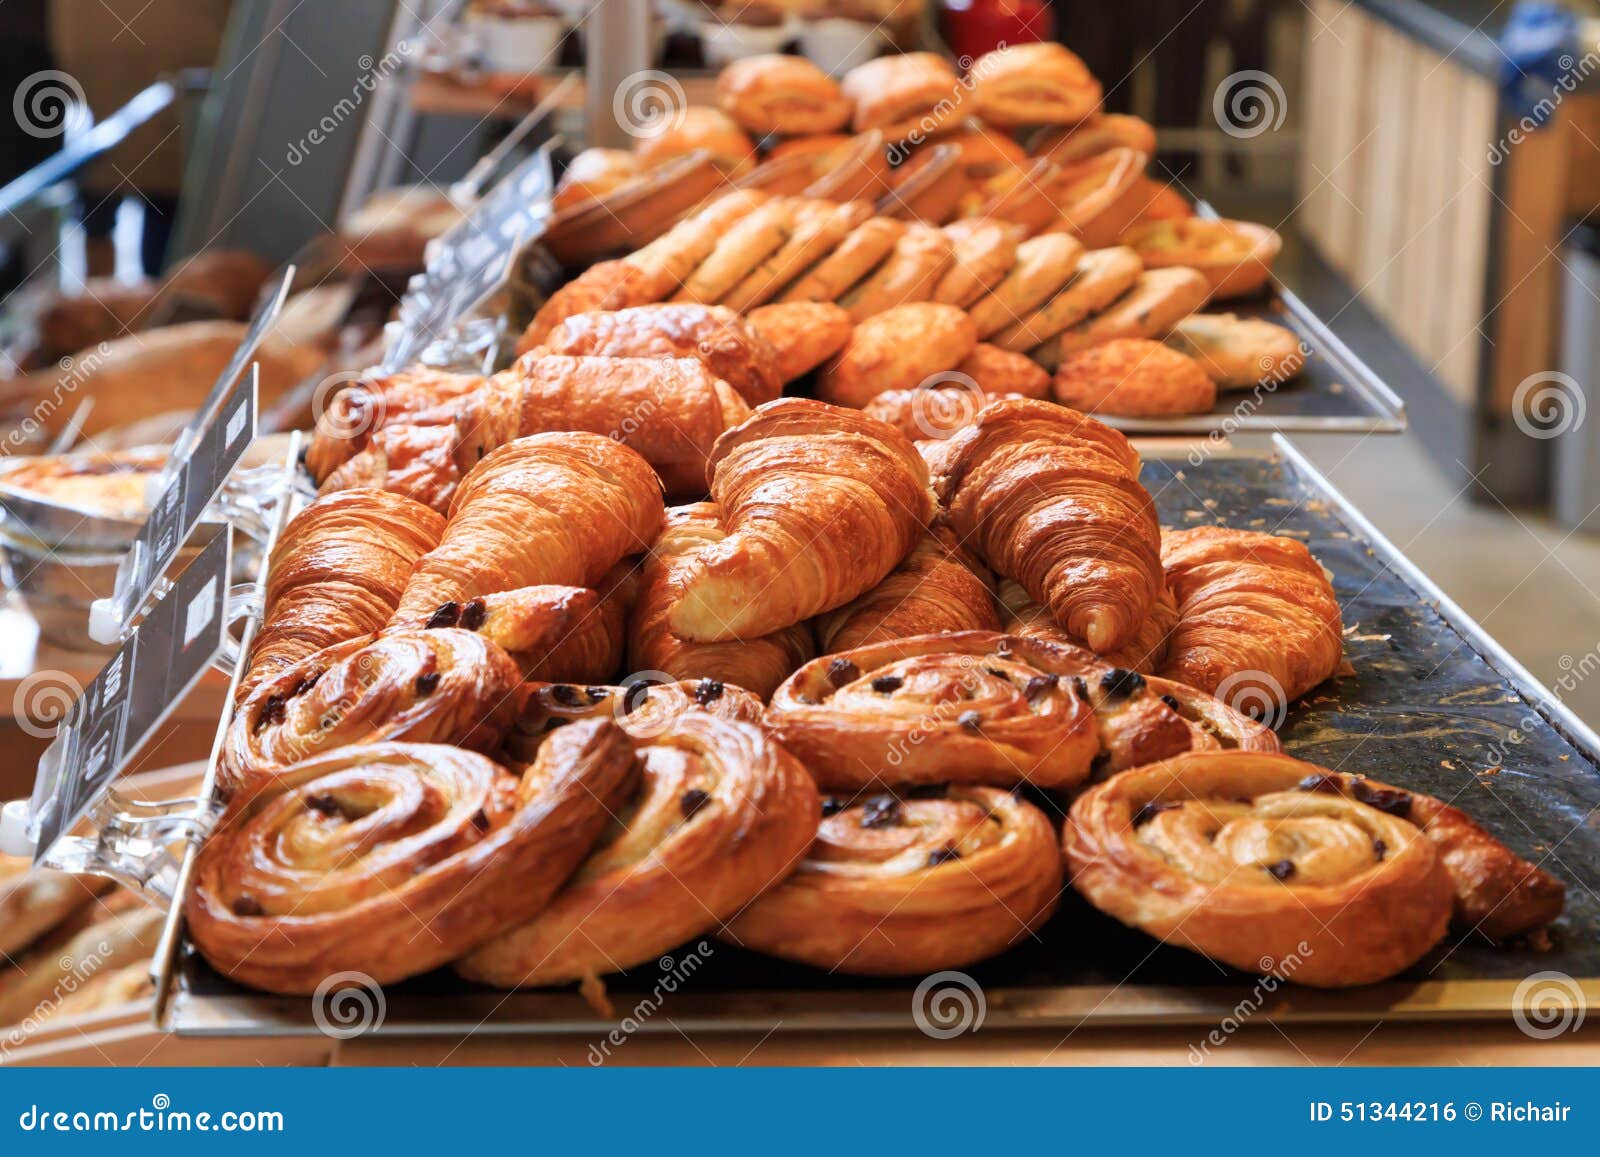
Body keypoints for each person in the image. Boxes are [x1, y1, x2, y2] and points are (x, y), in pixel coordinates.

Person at [48, 0, 233, 277]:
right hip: (170, 130)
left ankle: (107, 294)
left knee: (104, 219)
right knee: (165, 238)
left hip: (110, 124)